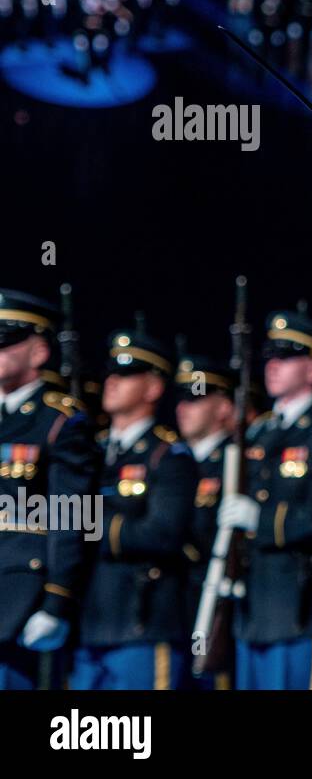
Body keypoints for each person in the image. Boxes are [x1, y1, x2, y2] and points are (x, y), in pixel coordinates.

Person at [217, 311, 312, 690]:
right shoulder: (260, 432)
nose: (273, 365)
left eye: (287, 356)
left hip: (299, 602)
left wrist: (261, 520)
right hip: (252, 605)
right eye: (270, 355)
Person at [73, 329, 196, 690]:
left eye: (126, 375)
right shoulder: (88, 452)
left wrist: (89, 522)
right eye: (110, 373)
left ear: (153, 388)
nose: (111, 382)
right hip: (88, 621)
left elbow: (162, 533)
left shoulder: (168, 456)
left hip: (140, 620)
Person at [0, 290, 98, 689]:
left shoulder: (60, 420)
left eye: (4, 341)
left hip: (21, 598)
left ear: (39, 351)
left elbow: (72, 515)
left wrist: (58, 599)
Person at [173, 354, 238, 688]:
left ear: (224, 407)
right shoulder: (170, 460)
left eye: (197, 399)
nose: (184, 407)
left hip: (213, 600)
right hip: (173, 601)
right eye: (182, 398)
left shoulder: (235, 460)